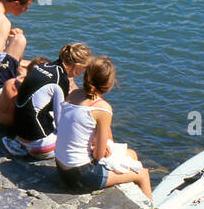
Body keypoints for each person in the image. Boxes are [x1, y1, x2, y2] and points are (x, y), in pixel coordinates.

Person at [52, 57, 152, 200]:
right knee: (143, 174)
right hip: (81, 176)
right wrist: (99, 148)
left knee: (131, 154)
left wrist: (96, 145)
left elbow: (76, 129)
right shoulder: (102, 108)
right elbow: (98, 155)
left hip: (62, 168)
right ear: (109, 84)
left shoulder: (73, 94)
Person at [4, 42, 91, 159]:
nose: (81, 73)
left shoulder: (41, 66)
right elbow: (60, 123)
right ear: (77, 67)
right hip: (38, 146)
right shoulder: (61, 80)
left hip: (19, 134)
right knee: (78, 139)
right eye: (83, 70)